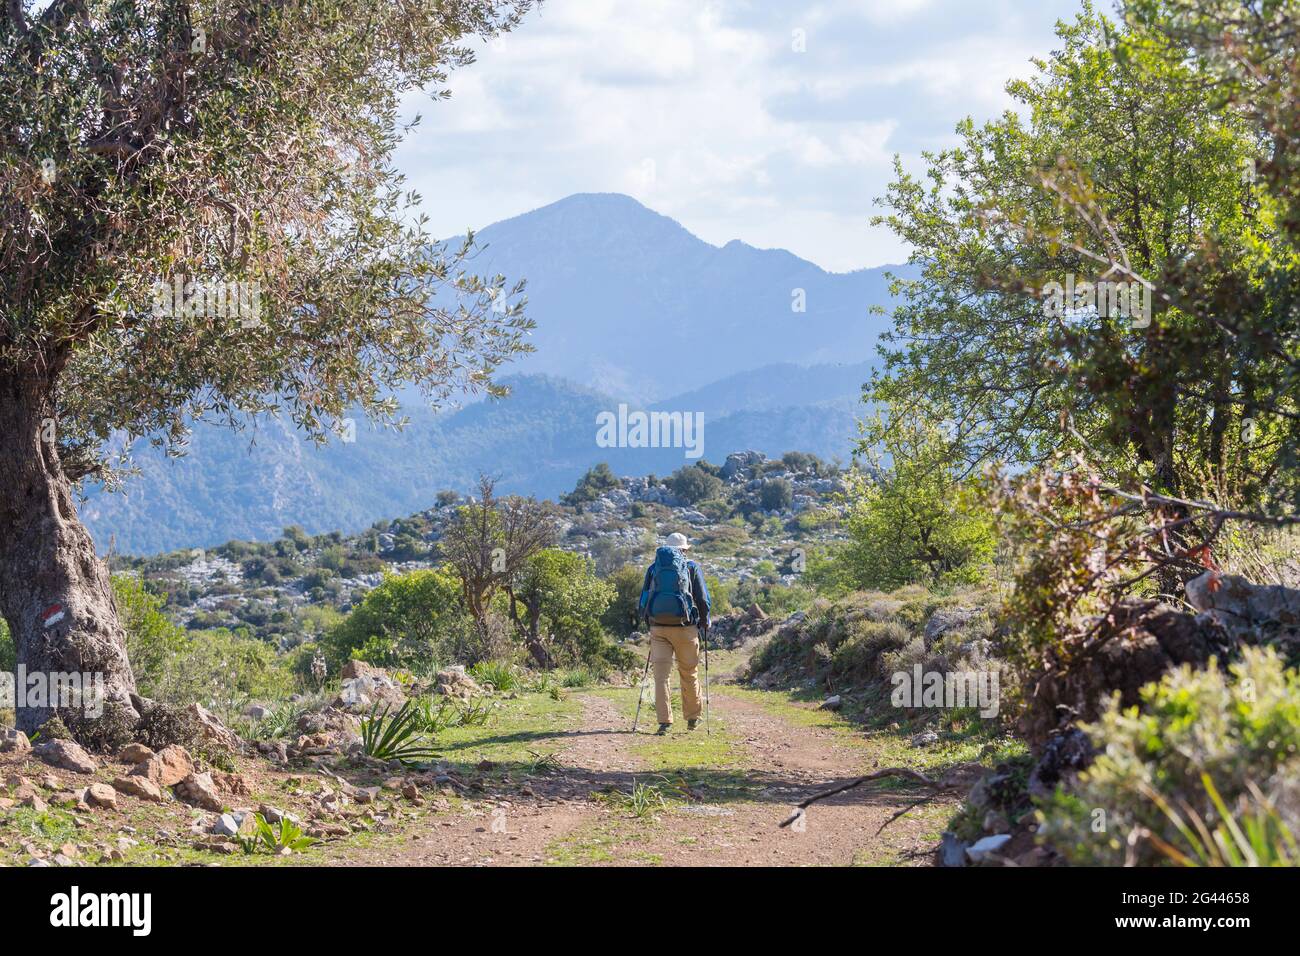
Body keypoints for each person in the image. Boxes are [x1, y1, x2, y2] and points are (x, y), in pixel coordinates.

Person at [637, 531, 711, 735]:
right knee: (689, 673)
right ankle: (693, 719)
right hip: (685, 628)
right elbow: (702, 599)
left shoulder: (654, 568)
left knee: (660, 677)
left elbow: (643, 599)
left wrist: (649, 624)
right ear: (684, 550)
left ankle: (664, 722)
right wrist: (705, 622)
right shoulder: (691, 567)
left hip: (658, 628)